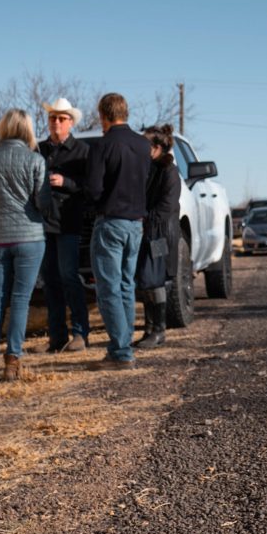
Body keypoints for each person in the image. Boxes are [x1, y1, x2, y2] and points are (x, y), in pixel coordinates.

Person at [0, 109, 51, 383]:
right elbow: (42, 202)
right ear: (27, 130)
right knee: (20, 300)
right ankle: (13, 361)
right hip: (29, 237)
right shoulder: (36, 160)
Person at [84, 92, 152, 368]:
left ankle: (121, 351)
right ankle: (123, 347)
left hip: (111, 221)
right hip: (136, 223)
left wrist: (95, 202)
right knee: (126, 285)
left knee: (108, 288)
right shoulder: (143, 144)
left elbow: (93, 188)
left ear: (103, 115)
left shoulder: (103, 145)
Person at [36, 98, 90, 353]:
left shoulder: (82, 151)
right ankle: (56, 337)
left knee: (69, 277)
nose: (56, 122)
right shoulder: (38, 149)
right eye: (52, 118)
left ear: (71, 122)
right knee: (50, 280)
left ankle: (80, 333)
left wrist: (65, 182)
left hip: (68, 223)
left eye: (61, 118)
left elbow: (90, 186)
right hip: (43, 224)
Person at [134, 124, 182, 349]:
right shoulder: (147, 168)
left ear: (156, 147)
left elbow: (167, 206)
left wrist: (144, 217)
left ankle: (159, 330)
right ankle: (149, 328)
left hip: (161, 235)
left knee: (156, 280)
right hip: (148, 232)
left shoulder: (169, 171)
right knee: (145, 282)